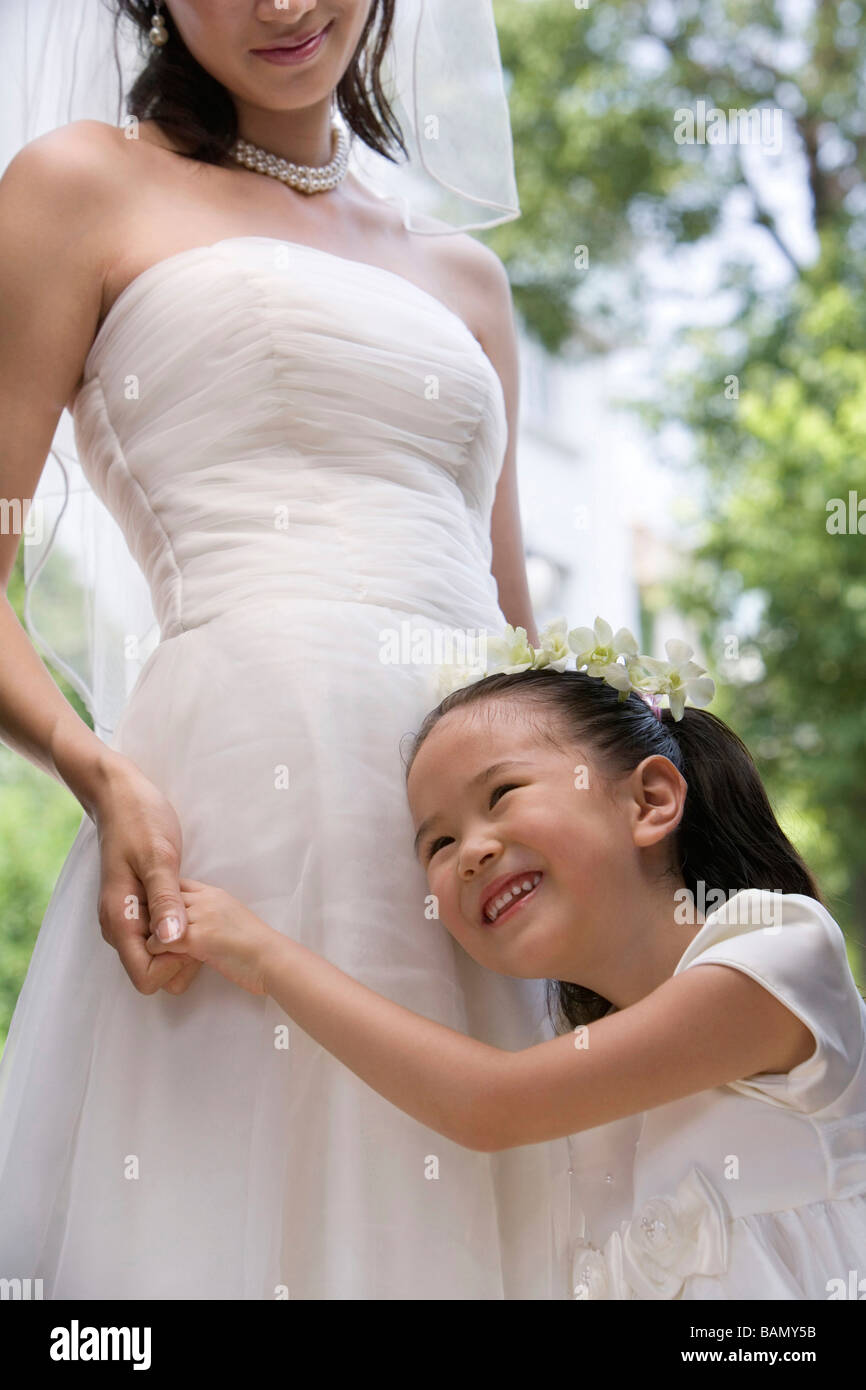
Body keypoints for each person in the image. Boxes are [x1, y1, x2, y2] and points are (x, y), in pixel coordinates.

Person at [0, 0, 563, 1299]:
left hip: (476, 838)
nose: (282, 6)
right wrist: (100, 768)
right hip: (233, 802)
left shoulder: (466, 279)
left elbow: (521, 630)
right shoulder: (80, 186)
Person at [144, 622, 866, 1299]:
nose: (472, 853)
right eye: (438, 844)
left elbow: (491, 1104)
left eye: (503, 794)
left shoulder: (778, 951)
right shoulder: (589, 1092)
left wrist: (267, 957)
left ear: (649, 800)